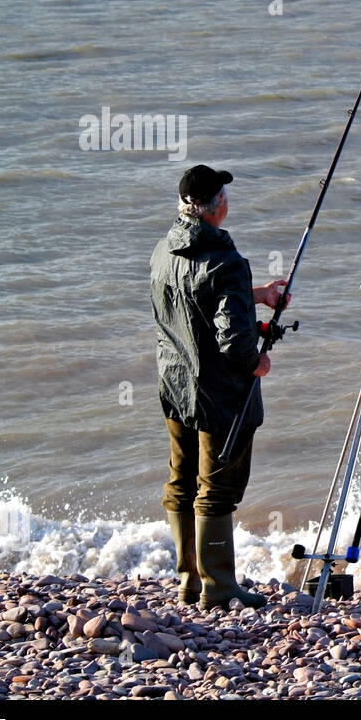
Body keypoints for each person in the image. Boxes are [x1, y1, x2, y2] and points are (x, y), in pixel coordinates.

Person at [149, 164, 288, 610]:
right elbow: (234, 340)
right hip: (219, 396)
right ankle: (221, 588)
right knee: (218, 486)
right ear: (216, 208)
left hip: (175, 386)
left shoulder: (163, 251)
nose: (228, 201)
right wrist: (258, 362)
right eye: (225, 195)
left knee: (182, 479)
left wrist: (258, 293)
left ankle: (190, 581)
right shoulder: (226, 261)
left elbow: (196, 295)